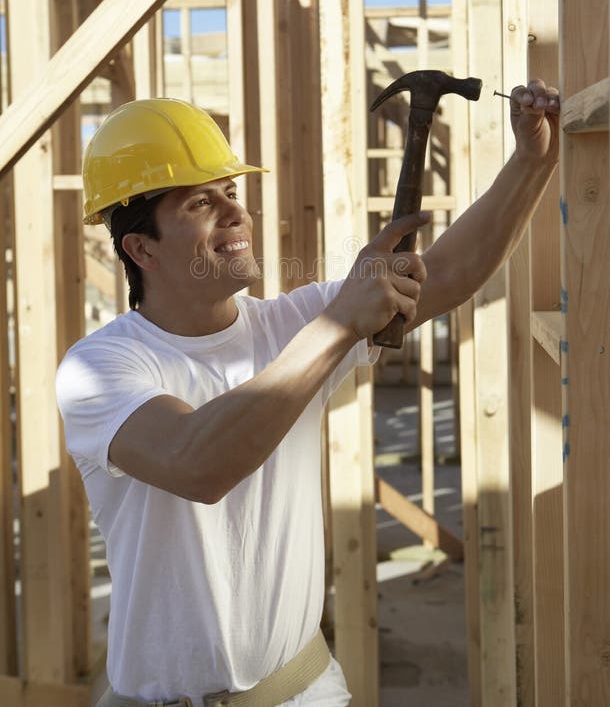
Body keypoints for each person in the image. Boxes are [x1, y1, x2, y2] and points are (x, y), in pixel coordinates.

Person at [56, 79, 559, 707]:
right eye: (198, 203)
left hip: (301, 691)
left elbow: (451, 272)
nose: (235, 212)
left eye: (231, 192)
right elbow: (198, 462)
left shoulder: (293, 326)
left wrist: (532, 162)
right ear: (140, 247)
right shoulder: (100, 368)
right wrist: (340, 323)